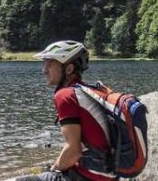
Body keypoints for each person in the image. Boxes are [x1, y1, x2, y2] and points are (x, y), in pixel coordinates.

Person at [14, 40, 114, 181]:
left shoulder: (65, 95)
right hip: (109, 172)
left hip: (90, 176)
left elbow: (73, 151)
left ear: (68, 69)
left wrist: (54, 169)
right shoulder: (90, 90)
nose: (44, 70)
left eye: (50, 64)